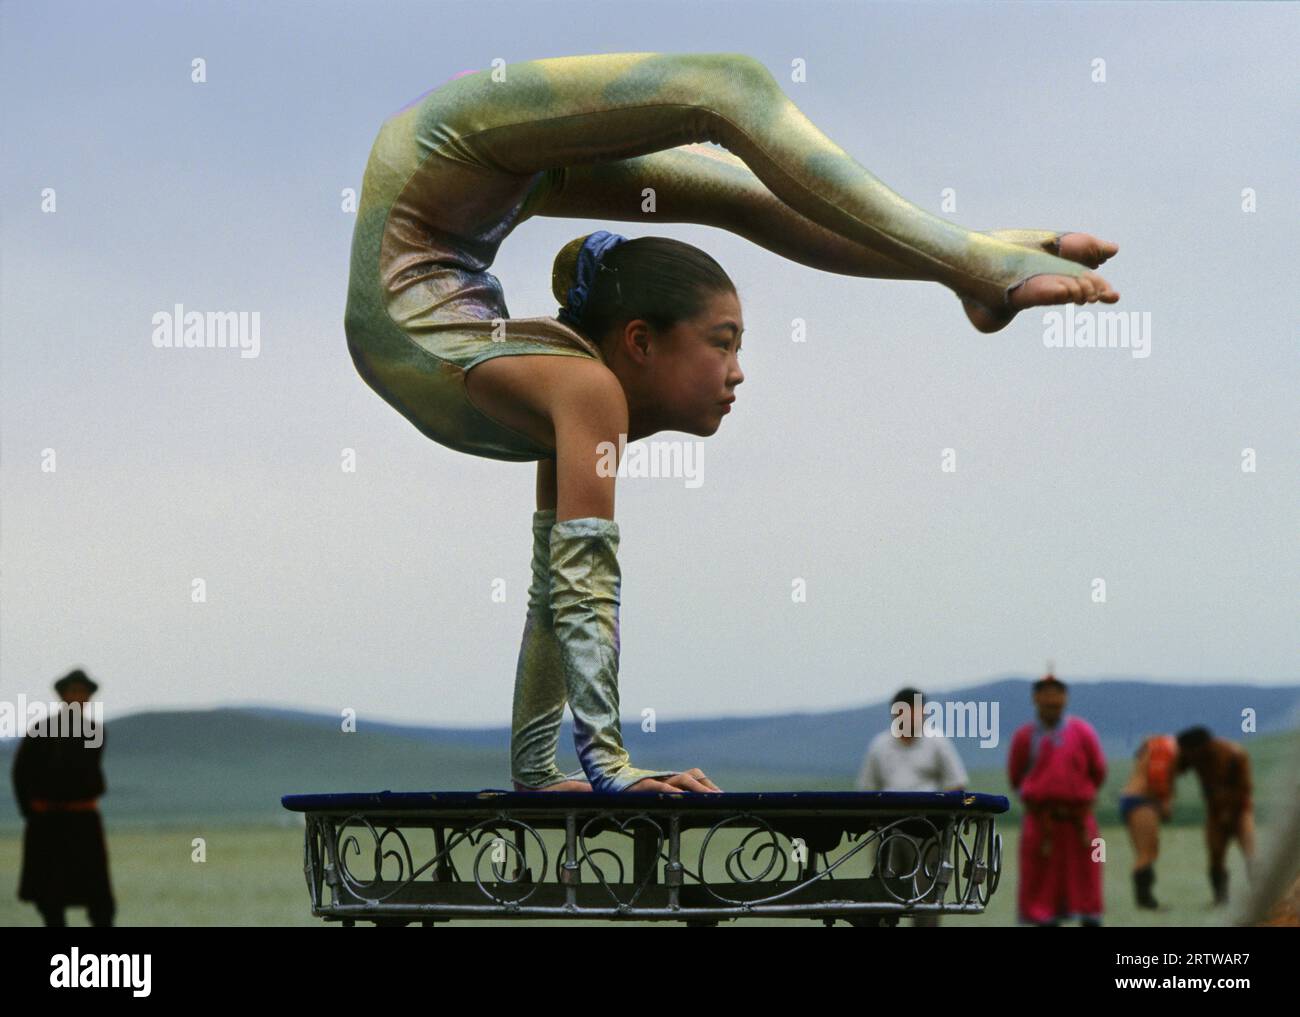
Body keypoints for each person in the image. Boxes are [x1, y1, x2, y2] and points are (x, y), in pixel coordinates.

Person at [344, 52, 1121, 795]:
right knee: (730, 87)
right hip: (439, 151)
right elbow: (586, 588)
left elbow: (555, 588)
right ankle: (981, 269)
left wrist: (538, 768)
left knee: (739, 191)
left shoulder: (563, 383)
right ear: (641, 341)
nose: (738, 371)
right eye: (724, 343)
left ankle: (976, 266)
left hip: (451, 217)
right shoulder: (587, 387)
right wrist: (613, 767)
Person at [11, 669, 115, 927]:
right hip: (48, 821)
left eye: (83, 693)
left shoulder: (94, 732)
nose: (78, 697)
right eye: (73, 692)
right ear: (63, 696)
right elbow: (21, 774)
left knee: (100, 900)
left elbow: (84, 772)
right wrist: (32, 811)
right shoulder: (40, 732)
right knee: (50, 898)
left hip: (82, 820)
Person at [857, 687, 968, 926]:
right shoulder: (879, 746)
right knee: (883, 891)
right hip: (888, 830)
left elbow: (957, 786)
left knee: (926, 895)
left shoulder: (938, 743)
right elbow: (866, 790)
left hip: (929, 830)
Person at [1007, 673, 1106, 926]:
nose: (1052, 700)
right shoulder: (1024, 737)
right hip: (1042, 825)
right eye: (1046, 695)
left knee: (1089, 881)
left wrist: (1077, 796)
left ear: (1065, 698)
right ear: (1036, 699)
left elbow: (1098, 771)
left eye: (1057, 694)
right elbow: (1016, 776)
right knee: (1041, 890)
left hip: (1080, 825)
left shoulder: (1083, 732)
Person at [1176, 726, 1255, 905]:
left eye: (1186, 750)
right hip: (1215, 813)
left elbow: (1245, 788)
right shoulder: (1195, 756)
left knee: (1249, 852)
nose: (1185, 754)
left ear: (1197, 747)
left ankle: (1261, 896)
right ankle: (1220, 898)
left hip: (1240, 811)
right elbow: (1177, 767)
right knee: (1216, 855)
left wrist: (1230, 811)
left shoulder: (1234, 755)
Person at [1118, 732, 1178, 909]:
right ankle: (1145, 901)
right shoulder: (1167, 748)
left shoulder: (1152, 747)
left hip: (1133, 799)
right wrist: (1165, 802)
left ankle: (1145, 899)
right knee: (1147, 853)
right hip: (1142, 801)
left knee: (1144, 852)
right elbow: (1158, 777)